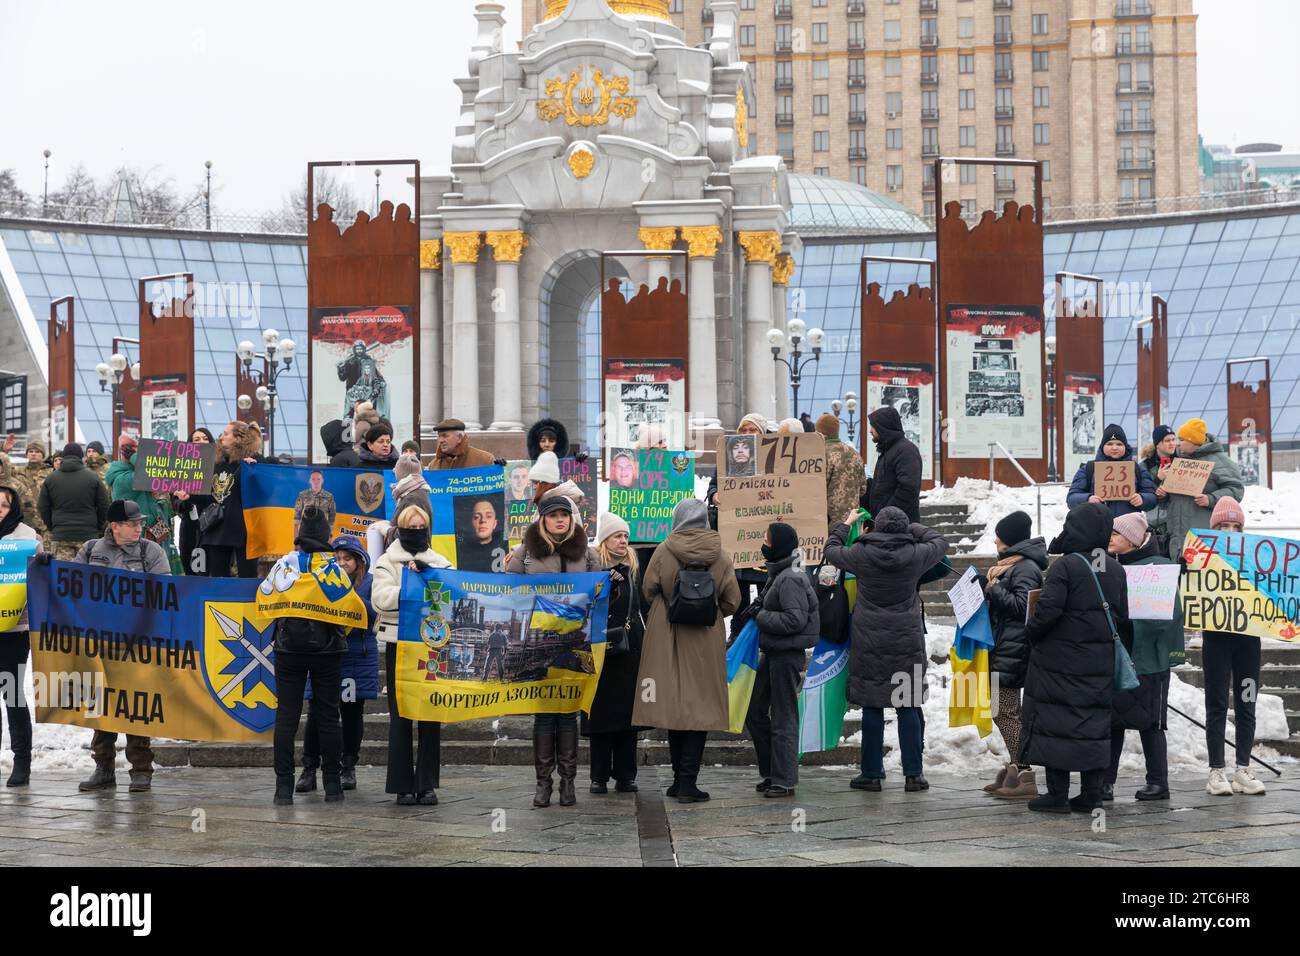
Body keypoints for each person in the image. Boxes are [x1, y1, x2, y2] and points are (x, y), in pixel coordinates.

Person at [824, 505, 946, 793]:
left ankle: (871, 773)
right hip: (906, 638)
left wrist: (847, 524)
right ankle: (914, 775)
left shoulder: (861, 554)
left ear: (875, 527)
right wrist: (911, 529)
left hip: (870, 639)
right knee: (907, 704)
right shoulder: (916, 555)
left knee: (872, 704)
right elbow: (940, 541)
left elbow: (831, 549)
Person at [633, 498, 741, 804]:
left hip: (667, 634)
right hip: (705, 638)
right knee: (701, 708)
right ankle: (688, 783)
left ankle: (678, 779)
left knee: (675, 707)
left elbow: (648, 588)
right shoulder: (720, 554)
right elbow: (732, 601)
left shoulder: (664, 549)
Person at [1021, 502, 1126, 813]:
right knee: (1093, 726)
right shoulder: (1115, 568)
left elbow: (1047, 613)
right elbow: (1123, 616)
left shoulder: (1066, 566)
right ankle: (1092, 794)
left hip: (1061, 663)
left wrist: (1032, 631)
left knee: (1058, 724)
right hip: (1099, 663)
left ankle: (1057, 795)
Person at [505, 492, 601, 807]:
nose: (559, 519)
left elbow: (598, 596)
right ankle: (543, 784)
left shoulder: (587, 555)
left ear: (571, 519)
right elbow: (508, 596)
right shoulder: (524, 552)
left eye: (564, 514)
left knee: (568, 714)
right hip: (539, 647)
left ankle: (568, 784)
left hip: (574, 646)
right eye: (553, 515)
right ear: (543, 520)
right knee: (545, 716)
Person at [70, 499, 170, 793]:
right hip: (100, 642)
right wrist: (46, 566)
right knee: (102, 705)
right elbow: (70, 581)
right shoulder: (91, 549)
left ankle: (141, 769)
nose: (140, 527)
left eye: (140, 522)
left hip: (139, 642)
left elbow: (165, 592)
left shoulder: (150, 551)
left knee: (136, 704)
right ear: (114, 526)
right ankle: (103, 767)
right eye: (133, 523)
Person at [265, 507, 349, 806]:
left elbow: (264, 596)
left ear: (299, 535)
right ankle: (332, 784)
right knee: (328, 717)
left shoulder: (285, 564)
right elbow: (347, 604)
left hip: (289, 648)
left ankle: (283, 788)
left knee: (286, 717)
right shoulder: (332, 568)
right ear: (327, 535)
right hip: (327, 650)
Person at [371, 504, 451, 805]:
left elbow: (452, 598)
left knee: (430, 714)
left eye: (421, 527)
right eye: (411, 527)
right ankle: (402, 783)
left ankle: (427, 783)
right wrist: (411, 585)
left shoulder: (441, 563)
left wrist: (430, 579)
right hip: (399, 645)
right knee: (401, 715)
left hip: (432, 645)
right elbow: (380, 600)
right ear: (401, 530)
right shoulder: (387, 562)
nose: (416, 532)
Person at [294, 534, 378, 796]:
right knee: (317, 713)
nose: (342, 563)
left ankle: (348, 765)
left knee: (352, 714)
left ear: (358, 561)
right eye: (338, 559)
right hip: (326, 653)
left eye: (348, 559)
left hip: (356, 656)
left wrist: (348, 599)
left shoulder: (370, 583)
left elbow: (374, 613)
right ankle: (309, 767)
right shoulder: (320, 580)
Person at [1106, 511, 1181, 802]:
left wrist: (1131, 619)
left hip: (1150, 659)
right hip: (1120, 656)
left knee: (1151, 723)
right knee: (1113, 721)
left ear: (1134, 540)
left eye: (1116, 534)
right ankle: (1105, 782)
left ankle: (1158, 783)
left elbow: (1172, 616)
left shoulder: (1160, 568)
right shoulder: (1112, 566)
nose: (1110, 538)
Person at [746, 522, 820, 798]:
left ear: (778, 544)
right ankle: (771, 771)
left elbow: (794, 619)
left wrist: (760, 615)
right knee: (754, 710)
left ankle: (784, 779)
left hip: (786, 654)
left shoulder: (790, 578)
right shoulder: (779, 573)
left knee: (783, 716)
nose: (763, 543)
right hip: (773, 650)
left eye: (766, 538)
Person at [1201, 497, 1266, 797]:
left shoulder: (1256, 557)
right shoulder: (1200, 556)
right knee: (1216, 703)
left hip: (1249, 639)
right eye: (1223, 525)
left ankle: (1243, 768)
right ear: (1214, 528)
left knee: (1247, 702)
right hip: (1215, 638)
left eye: (1234, 526)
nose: (1229, 531)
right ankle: (1217, 770)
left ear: (1242, 530)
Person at [981, 511, 1047, 800]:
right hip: (1003, 648)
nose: (995, 540)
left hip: (1012, 651)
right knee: (1005, 711)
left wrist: (993, 591)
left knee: (1004, 712)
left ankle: (1023, 774)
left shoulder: (1025, 568)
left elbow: (1023, 607)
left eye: (1000, 535)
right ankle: (1014, 769)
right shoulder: (1014, 565)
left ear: (1009, 539)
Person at [583, 513, 646, 794]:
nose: (623, 541)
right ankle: (598, 776)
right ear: (605, 540)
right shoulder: (593, 568)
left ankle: (625, 775)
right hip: (598, 647)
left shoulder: (632, 569)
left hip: (628, 648)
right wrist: (607, 585)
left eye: (625, 536)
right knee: (600, 716)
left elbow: (641, 607)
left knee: (626, 717)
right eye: (617, 536)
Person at [1159, 419, 1245, 563]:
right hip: (1178, 539)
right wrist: (1162, 494)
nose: (1177, 443)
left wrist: (1210, 499)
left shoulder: (1220, 462)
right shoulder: (1179, 463)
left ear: (1194, 441)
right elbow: (1169, 501)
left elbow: (1236, 490)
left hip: (1204, 538)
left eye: (1182, 439)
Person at [0, 483, 41, 786]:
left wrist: (44, 563)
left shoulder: (27, 537)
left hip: (15, 628)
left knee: (12, 694)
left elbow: (41, 575)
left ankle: (22, 761)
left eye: (3, 505)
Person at [184, 421, 263, 577]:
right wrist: (189, 496)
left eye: (226, 434)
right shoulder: (214, 462)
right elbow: (206, 498)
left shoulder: (253, 461)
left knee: (247, 578)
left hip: (244, 530)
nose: (221, 438)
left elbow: (262, 491)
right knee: (219, 579)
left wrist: (253, 470)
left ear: (238, 438)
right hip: (216, 529)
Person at [105, 433, 180, 573]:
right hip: (136, 535)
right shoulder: (121, 478)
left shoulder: (137, 471)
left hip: (155, 531)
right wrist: (135, 456)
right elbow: (151, 475)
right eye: (134, 447)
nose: (140, 450)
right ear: (125, 451)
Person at [1065, 423, 1157, 518]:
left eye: (1119, 444)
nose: (1114, 447)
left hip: (1128, 528)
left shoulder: (1137, 469)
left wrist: (1142, 499)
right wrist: (1088, 499)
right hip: (1096, 527)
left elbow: (1152, 497)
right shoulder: (1088, 469)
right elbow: (1071, 499)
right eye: (1109, 444)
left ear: (1125, 447)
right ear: (1102, 446)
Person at [38, 443, 110, 562]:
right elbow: (104, 505)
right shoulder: (93, 477)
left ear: (64, 457)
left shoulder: (51, 478)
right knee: (87, 575)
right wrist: (97, 526)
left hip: (61, 535)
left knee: (63, 575)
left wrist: (53, 526)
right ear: (81, 456)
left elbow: (43, 507)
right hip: (88, 535)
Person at [863, 406, 922, 523]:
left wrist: (887, 516)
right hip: (887, 525)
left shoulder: (906, 450)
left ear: (883, 427)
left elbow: (908, 489)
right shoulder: (888, 450)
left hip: (899, 526)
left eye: (873, 426)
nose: (870, 430)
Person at [816, 413, 866, 532]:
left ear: (820, 432)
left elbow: (816, 490)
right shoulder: (854, 454)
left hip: (829, 524)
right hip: (853, 522)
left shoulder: (820, 454)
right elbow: (863, 489)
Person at [175, 427, 214, 574]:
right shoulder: (182, 470)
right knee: (191, 570)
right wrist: (184, 501)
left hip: (213, 527)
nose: (201, 442)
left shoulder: (219, 467)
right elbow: (175, 504)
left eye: (205, 438)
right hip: (191, 529)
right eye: (196, 440)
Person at [328, 401, 381, 469]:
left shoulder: (362, 423)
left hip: (361, 451)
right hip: (371, 451)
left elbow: (355, 439)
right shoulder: (374, 422)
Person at [457, 497, 504, 572]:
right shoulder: (460, 554)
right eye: (477, 517)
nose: (483, 520)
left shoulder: (507, 552)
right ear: (470, 523)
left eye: (488, 516)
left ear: (495, 524)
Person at [431, 418, 498, 470]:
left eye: (445, 436)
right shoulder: (434, 465)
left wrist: (499, 468)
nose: (441, 440)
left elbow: (497, 483)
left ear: (459, 437)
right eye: (439, 436)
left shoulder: (485, 460)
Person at [293, 469, 337, 540]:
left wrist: (330, 536)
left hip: (322, 531)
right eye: (313, 479)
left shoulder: (329, 496)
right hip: (305, 531)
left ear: (322, 480)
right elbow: (297, 515)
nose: (316, 481)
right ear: (309, 480)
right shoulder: (303, 494)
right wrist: (296, 538)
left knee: (321, 550)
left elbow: (332, 516)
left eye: (318, 479)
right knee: (306, 550)